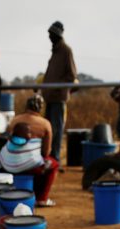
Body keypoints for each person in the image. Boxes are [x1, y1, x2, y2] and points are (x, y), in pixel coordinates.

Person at [6, 95, 58, 206]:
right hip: (32, 165)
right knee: (53, 164)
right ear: (41, 108)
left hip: (11, 162)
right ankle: (42, 198)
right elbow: (46, 152)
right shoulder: (45, 124)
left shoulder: (15, 120)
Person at [0, 120, 59, 207]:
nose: (30, 135)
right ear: (23, 133)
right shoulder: (31, 143)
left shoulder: (10, 142)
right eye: (29, 132)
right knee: (53, 164)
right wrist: (43, 164)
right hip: (26, 169)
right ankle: (42, 199)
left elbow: (1, 155)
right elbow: (37, 159)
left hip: (8, 168)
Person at [42, 21, 77, 164]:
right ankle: (48, 156)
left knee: (56, 129)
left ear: (57, 35)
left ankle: (55, 158)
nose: (49, 37)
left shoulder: (65, 50)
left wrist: (58, 88)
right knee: (49, 129)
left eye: (51, 35)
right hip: (49, 97)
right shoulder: (55, 51)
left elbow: (72, 75)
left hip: (58, 97)